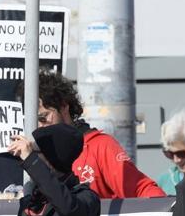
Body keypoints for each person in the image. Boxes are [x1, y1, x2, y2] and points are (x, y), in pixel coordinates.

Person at [35, 71, 164, 199]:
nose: (40, 126)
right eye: (33, 121)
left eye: (44, 117)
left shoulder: (99, 146)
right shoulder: (34, 155)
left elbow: (140, 189)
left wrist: (166, 211)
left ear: (64, 107)